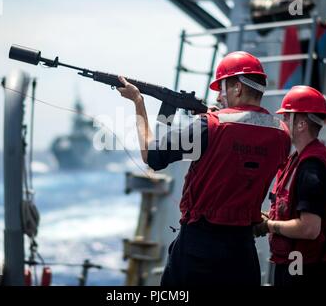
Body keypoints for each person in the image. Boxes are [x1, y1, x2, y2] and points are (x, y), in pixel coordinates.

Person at [117, 51, 290, 286]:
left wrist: (138, 103)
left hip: (199, 250)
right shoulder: (282, 134)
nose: (218, 97)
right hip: (242, 253)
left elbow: (152, 155)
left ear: (237, 88)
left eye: (222, 88)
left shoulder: (210, 126)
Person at [254, 85, 326, 286]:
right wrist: (271, 216)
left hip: (303, 270)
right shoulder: (303, 159)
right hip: (300, 265)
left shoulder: (311, 167)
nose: (283, 122)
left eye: (286, 117)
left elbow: (309, 228)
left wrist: (269, 225)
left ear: (300, 124)